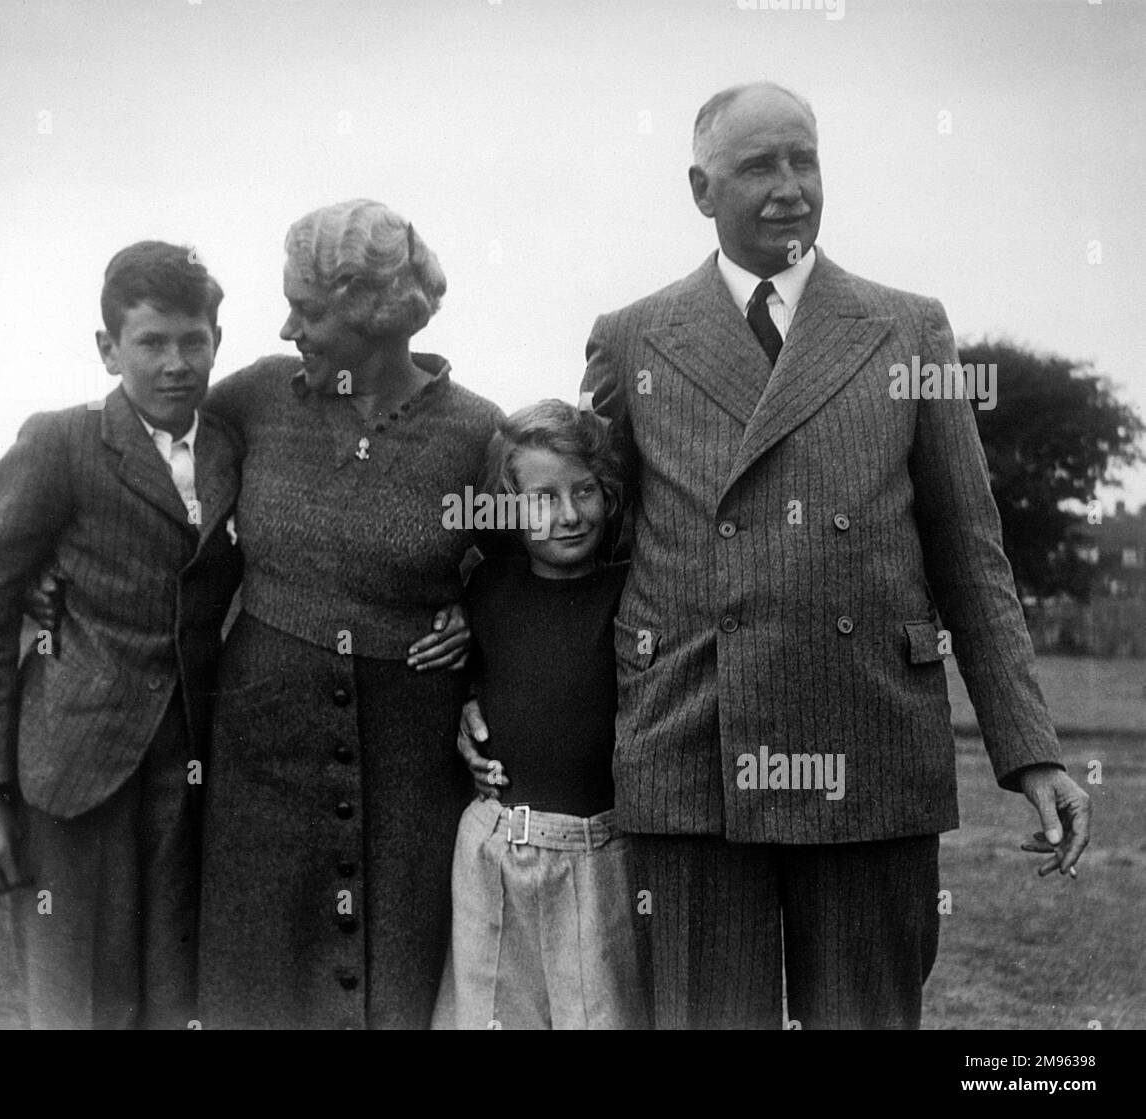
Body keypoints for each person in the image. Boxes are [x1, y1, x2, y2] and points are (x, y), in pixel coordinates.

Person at [464, 81, 1092, 1030]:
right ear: (700, 187)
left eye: (805, 159)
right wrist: (493, 680)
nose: (791, 185)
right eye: (759, 165)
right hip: (690, 752)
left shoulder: (909, 327)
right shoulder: (632, 337)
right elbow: (581, 543)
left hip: (868, 746)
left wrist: (1031, 752)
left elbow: (971, 551)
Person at [196, 199, 503, 1029]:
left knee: (399, 977)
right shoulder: (255, 397)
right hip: (259, 752)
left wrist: (480, 612)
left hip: (411, 763)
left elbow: (535, 565)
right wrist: (55, 575)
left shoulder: (478, 433)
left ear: (375, 309)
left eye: (310, 306)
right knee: (257, 981)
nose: (288, 323)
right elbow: (151, 468)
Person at [0, 241, 244, 1028]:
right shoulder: (60, 441)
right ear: (108, 349)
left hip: (194, 778)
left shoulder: (235, 446)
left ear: (219, 339)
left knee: (175, 1008)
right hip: (71, 775)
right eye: (151, 342)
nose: (176, 362)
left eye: (195, 340)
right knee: (77, 1009)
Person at [435, 400, 647, 1030]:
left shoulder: (633, 591)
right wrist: (465, 715)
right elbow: (477, 683)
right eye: (542, 498)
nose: (568, 514)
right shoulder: (486, 589)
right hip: (491, 849)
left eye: (584, 491)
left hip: (599, 855)